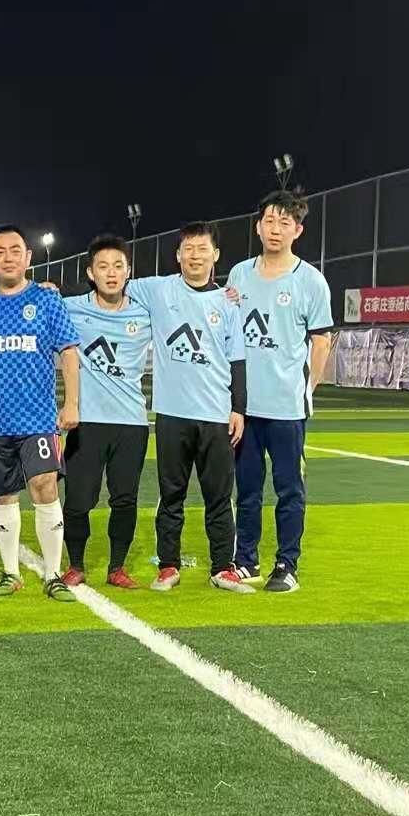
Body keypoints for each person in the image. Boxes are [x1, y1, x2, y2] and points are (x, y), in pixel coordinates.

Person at [127, 222, 254, 594]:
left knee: (219, 497)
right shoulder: (158, 289)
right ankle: (168, 566)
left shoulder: (227, 302)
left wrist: (238, 408)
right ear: (178, 255)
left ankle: (223, 568)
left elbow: (237, 359)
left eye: (202, 249)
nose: (195, 256)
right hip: (172, 414)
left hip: (216, 415)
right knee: (171, 496)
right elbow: (111, 283)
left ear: (215, 255)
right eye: (189, 249)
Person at [224, 191, 334, 593]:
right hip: (244, 408)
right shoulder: (239, 274)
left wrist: (308, 388)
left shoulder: (310, 281)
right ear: (258, 226)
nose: (275, 229)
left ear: (297, 230)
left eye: (284, 223)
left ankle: (287, 564)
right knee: (247, 489)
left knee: (289, 490)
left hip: (287, 408)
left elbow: (321, 340)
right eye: (269, 221)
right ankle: (246, 561)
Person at [0, 227, 81, 601]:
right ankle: (10, 573)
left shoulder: (47, 300)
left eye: (15, 250)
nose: (8, 257)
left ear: (28, 257)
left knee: (45, 486)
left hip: (38, 418)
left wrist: (71, 403)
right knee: (3, 494)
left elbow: (68, 351)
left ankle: (53, 573)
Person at [56, 236, 151, 589]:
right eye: (103, 266)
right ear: (90, 273)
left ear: (128, 271)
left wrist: (225, 295)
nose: (111, 273)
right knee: (78, 500)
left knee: (125, 499)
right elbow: (31, 299)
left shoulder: (145, 312)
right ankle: (76, 565)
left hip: (131, 423)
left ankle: (117, 568)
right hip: (87, 421)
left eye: (118, 266)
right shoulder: (70, 307)